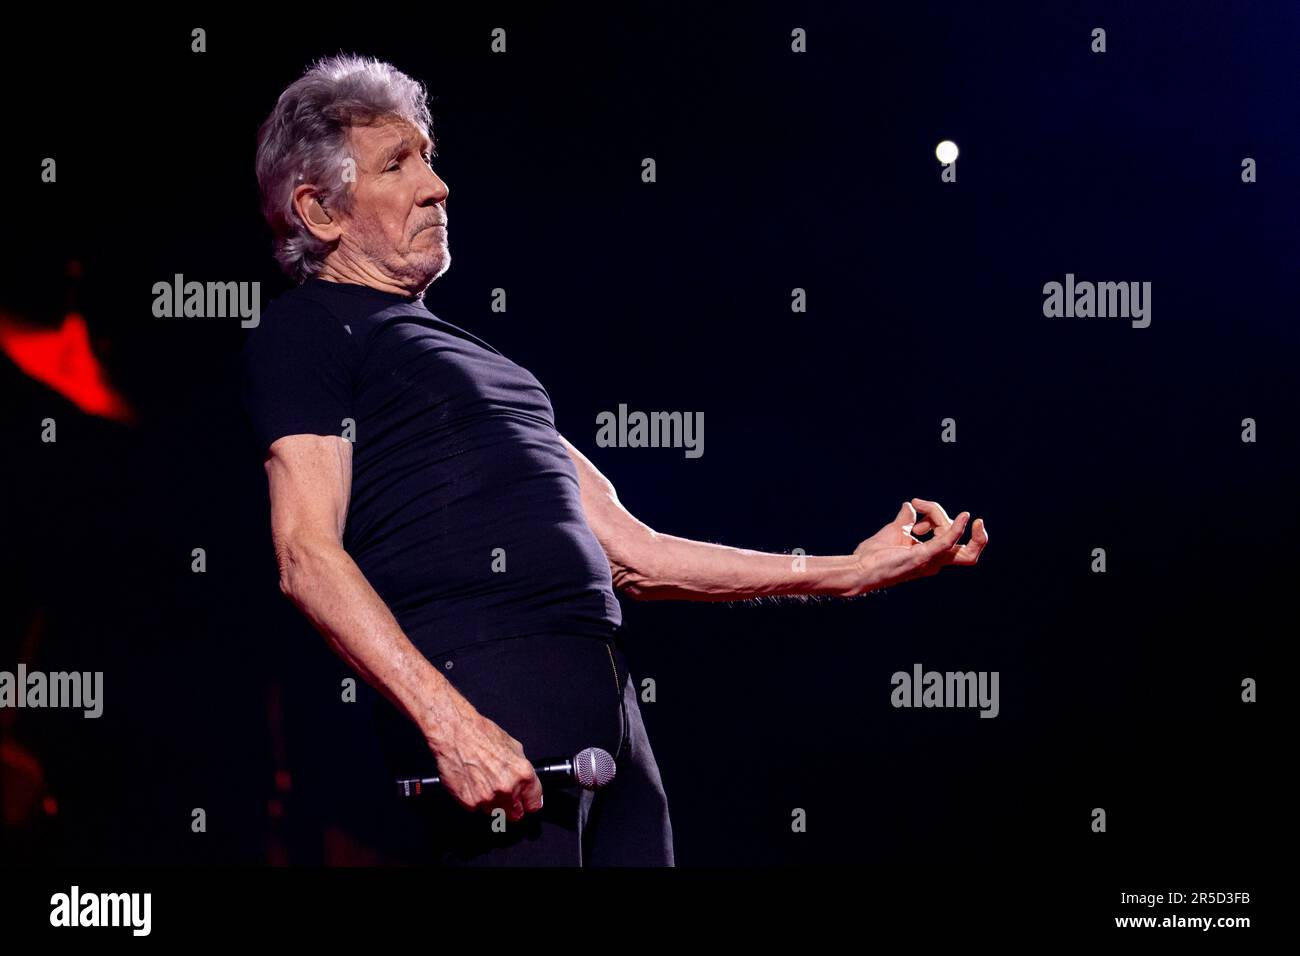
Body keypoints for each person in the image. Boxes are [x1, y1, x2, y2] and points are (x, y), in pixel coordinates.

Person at [242, 54, 988, 866]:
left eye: (429, 154)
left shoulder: (487, 367)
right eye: (400, 163)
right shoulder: (311, 330)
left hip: (612, 723)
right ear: (319, 211)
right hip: (490, 711)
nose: (438, 185)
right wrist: (450, 723)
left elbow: (633, 554)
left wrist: (850, 569)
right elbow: (305, 555)